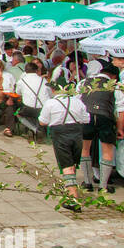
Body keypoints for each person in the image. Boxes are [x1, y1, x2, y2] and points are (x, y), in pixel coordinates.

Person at [37, 84, 90, 212]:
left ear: (55, 90)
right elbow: (86, 119)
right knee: (72, 164)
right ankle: (71, 192)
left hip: (60, 133)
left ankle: (73, 199)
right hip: (77, 133)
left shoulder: (50, 103)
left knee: (66, 165)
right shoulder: (78, 101)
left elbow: (42, 122)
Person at [79, 63, 121, 194]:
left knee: (85, 149)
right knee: (107, 151)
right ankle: (103, 186)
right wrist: (120, 129)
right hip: (105, 117)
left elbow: (78, 101)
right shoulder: (115, 87)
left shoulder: (83, 82)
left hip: (87, 116)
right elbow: (121, 110)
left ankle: (87, 182)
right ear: (113, 76)